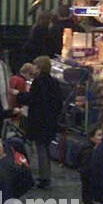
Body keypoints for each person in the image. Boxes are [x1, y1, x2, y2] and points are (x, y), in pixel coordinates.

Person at [20, 56, 62, 189]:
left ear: (39, 67)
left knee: (40, 148)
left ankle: (43, 177)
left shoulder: (38, 82)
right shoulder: (54, 82)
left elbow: (32, 99)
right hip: (50, 120)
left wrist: (20, 96)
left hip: (38, 120)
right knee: (45, 148)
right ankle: (45, 175)